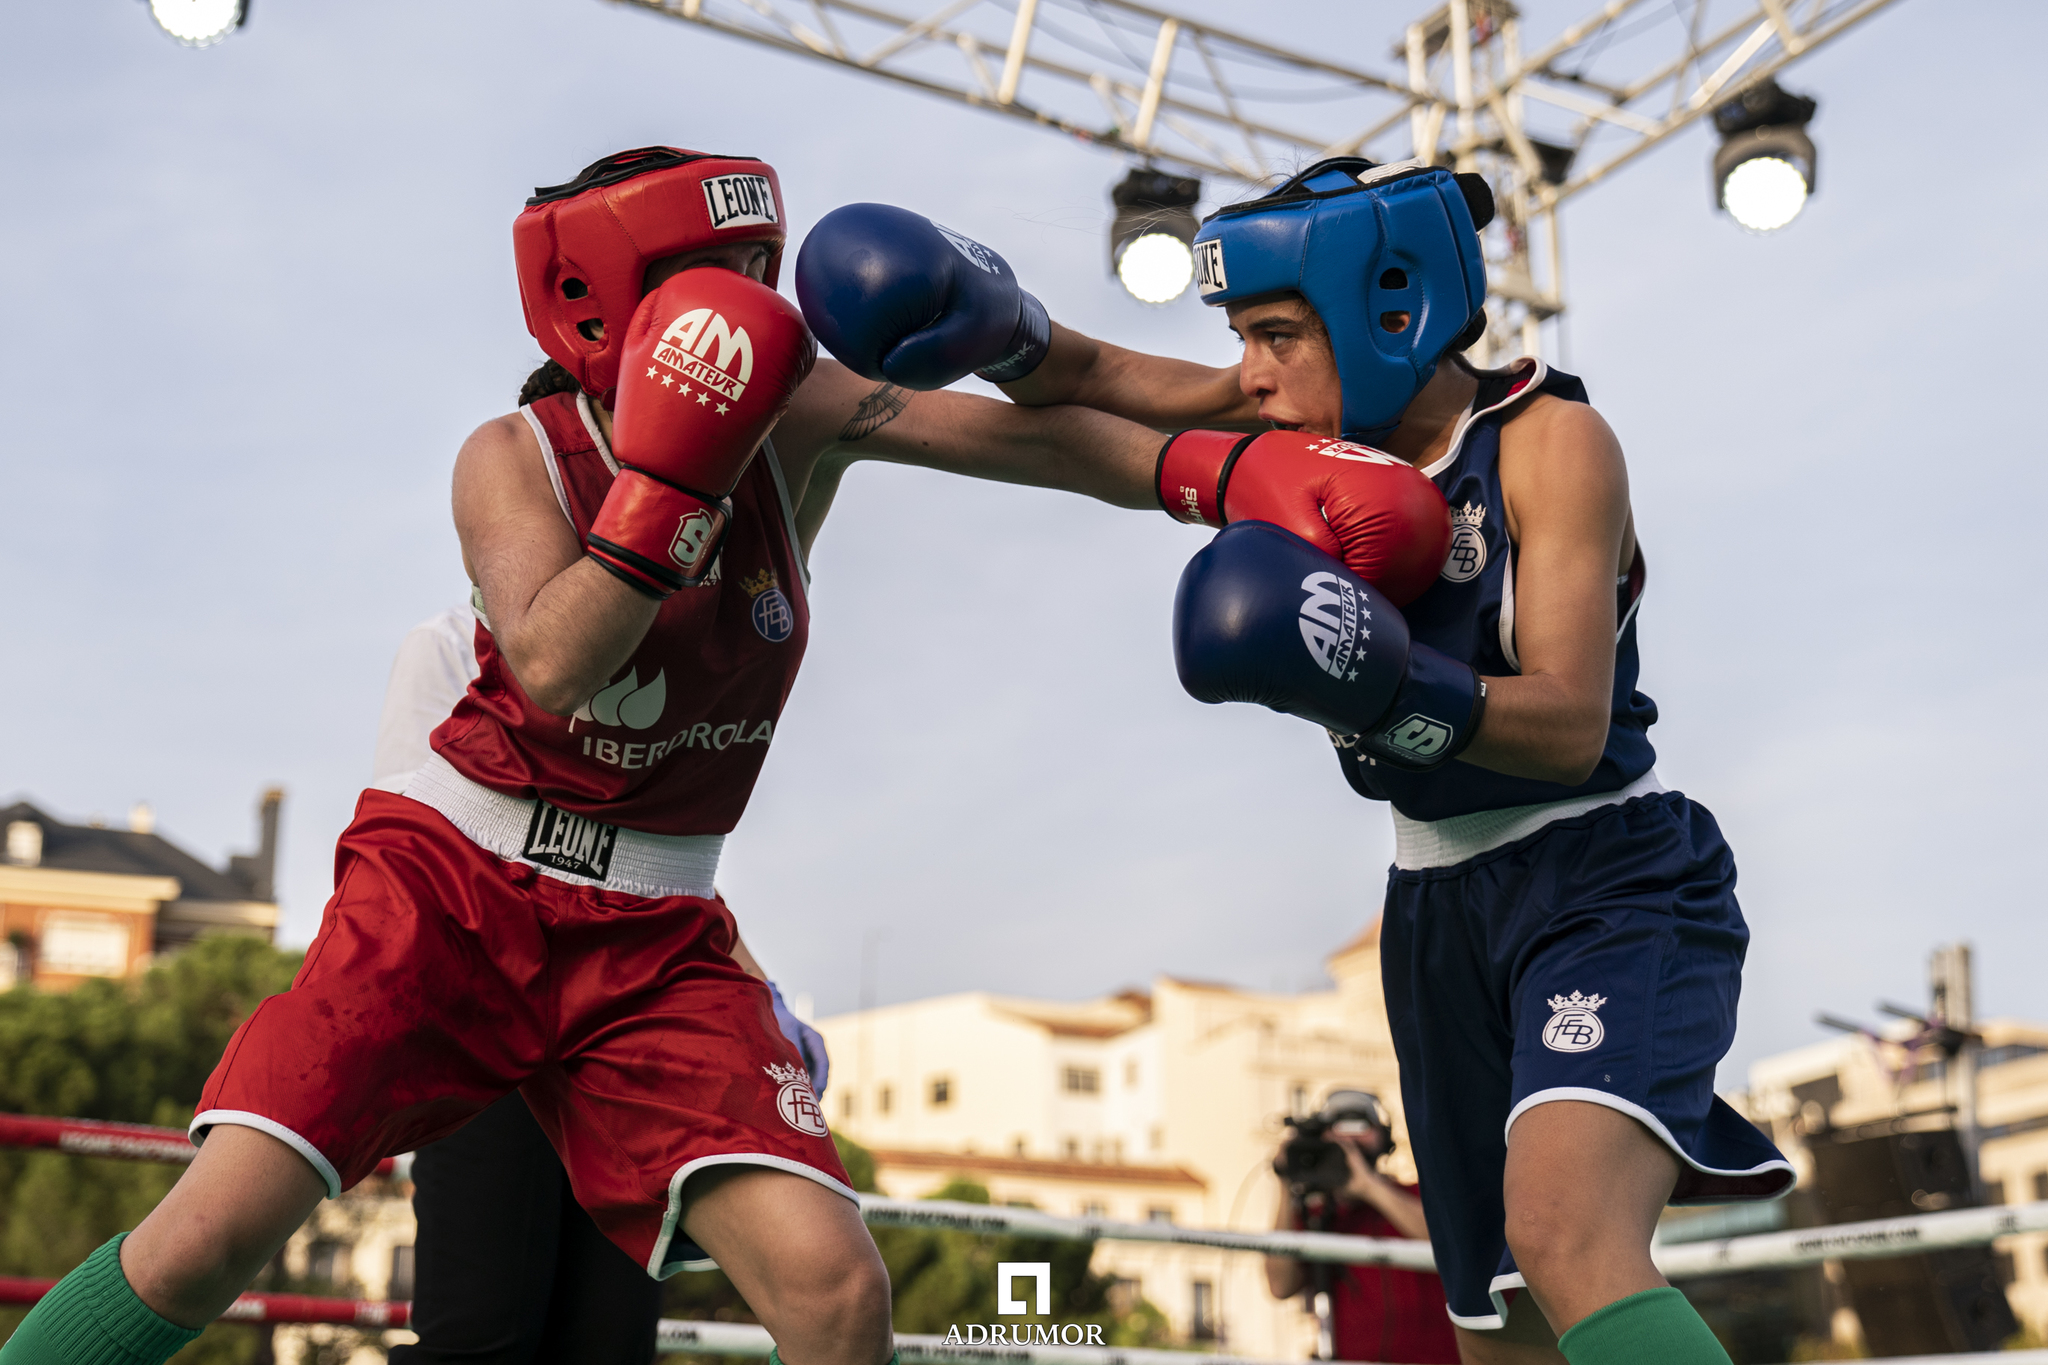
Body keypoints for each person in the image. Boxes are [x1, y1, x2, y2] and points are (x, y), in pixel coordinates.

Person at [7, 145, 1379, 1365]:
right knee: (207, 1242)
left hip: (652, 925)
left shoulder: (803, 412)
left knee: (835, 1292)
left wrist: (1237, 447)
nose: (742, 312)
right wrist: (673, 485)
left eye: (751, 277)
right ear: (600, 302)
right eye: (707, 282)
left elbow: (1048, 441)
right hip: (457, 890)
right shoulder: (512, 456)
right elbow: (555, 662)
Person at [791, 158, 1794, 1365]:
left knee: (1563, 1234)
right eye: (1239, 338)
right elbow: (1088, 403)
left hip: (1601, 876)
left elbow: (1569, 724)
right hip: (1434, 904)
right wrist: (926, 359)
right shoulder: (1290, 442)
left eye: (1273, 335)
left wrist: (1385, 681)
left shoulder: (1548, 443)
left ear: (1389, 309)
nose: (1248, 372)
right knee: (1499, 1327)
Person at [368, 603, 827, 1365]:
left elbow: (664, 869)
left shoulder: (661, 656)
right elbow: (424, 843)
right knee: (477, 1339)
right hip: (487, 1028)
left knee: (611, 1344)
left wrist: (761, 996)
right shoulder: (449, 643)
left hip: (625, 1037)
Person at [1265, 1091, 1461, 1365]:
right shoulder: (1318, 1217)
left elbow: (1449, 1243)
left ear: (1385, 1139)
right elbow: (1280, 1286)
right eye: (1338, 1130)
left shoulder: (1419, 1197)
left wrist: (1369, 1186)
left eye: (1360, 1127)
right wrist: (1287, 1184)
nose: (1350, 1141)